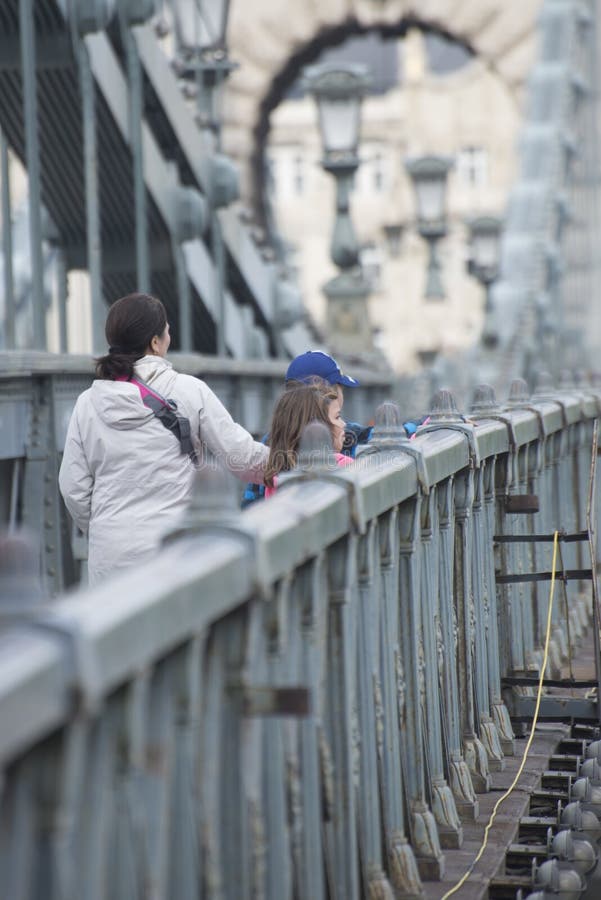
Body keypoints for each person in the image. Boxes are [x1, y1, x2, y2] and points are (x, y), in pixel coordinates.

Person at [59, 292, 269, 585]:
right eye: (167, 330)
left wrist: (107, 528)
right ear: (155, 342)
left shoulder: (87, 403)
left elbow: (73, 488)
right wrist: (292, 461)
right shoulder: (189, 391)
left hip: (111, 557)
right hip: (175, 552)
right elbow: (243, 458)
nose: (170, 335)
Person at [242, 350, 364, 507]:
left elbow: (252, 505)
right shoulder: (345, 439)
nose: (343, 424)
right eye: (340, 387)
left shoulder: (273, 446)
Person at [264, 383, 352, 497]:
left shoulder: (275, 480)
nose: (344, 424)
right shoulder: (343, 466)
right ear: (316, 426)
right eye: (337, 417)